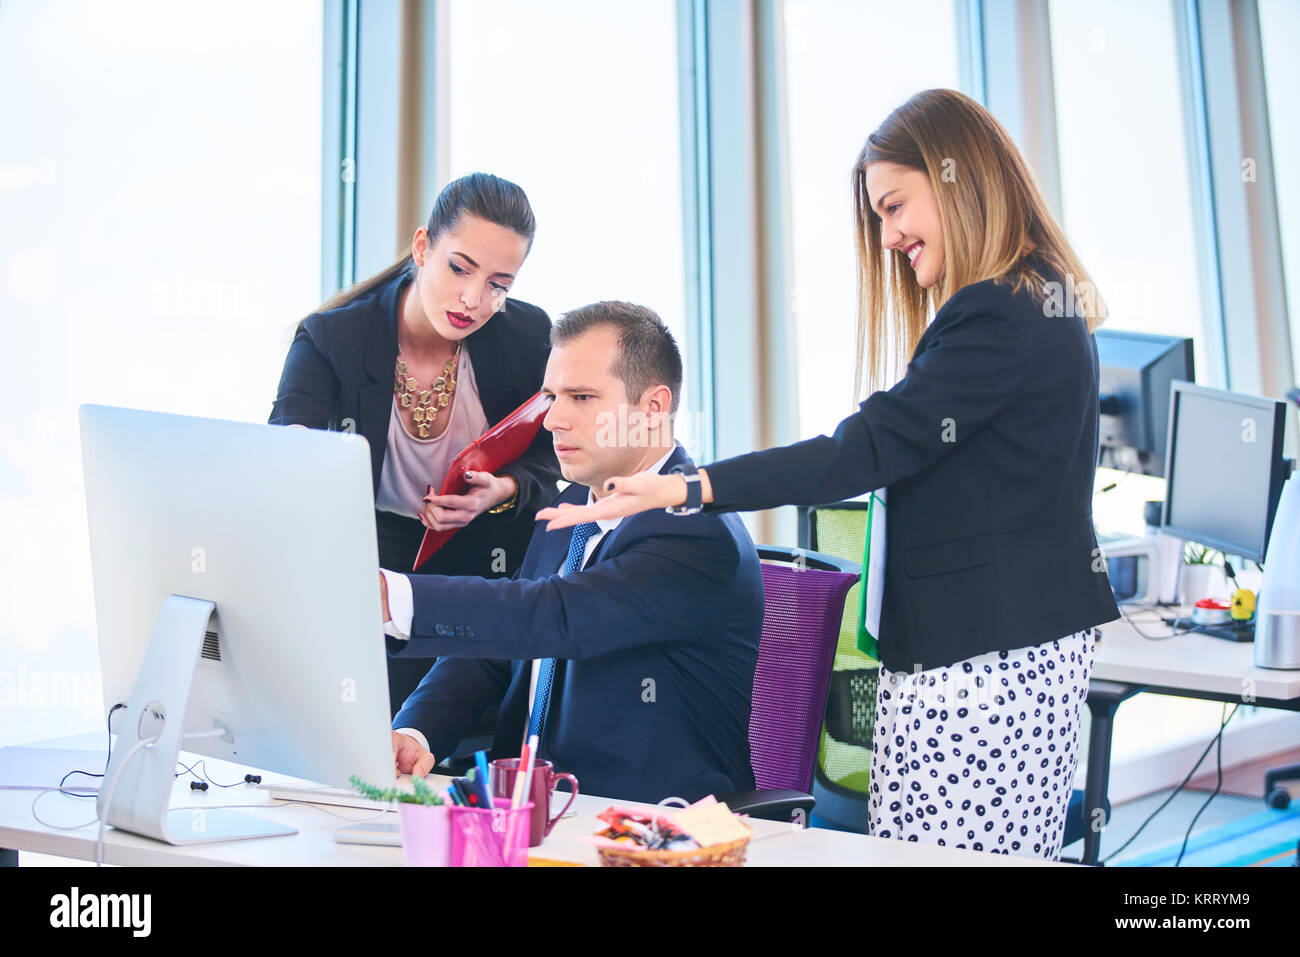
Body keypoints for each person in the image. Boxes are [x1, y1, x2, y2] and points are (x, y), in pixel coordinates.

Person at [538, 89, 1121, 860]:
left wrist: (689, 486)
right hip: (993, 652)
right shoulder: (1034, 298)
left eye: (895, 206)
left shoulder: (1000, 312)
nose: (887, 237)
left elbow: (862, 447)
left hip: (984, 665)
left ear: (957, 178)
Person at [379, 301, 764, 805]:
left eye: (581, 397)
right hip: (526, 814)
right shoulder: (568, 510)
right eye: (551, 396)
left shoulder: (696, 531)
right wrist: (418, 732)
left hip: (643, 825)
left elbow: (552, 615)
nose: (553, 419)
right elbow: (499, 647)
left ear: (652, 409)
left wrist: (395, 597)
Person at [269, 173, 562, 715]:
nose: (474, 299)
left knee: (460, 736)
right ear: (423, 246)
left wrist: (500, 488)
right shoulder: (332, 340)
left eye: (499, 284)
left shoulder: (525, 336)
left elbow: (555, 452)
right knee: (367, 734)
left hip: (487, 568)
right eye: (459, 268)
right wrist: (299, 459)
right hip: (368, 567)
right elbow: (285, 462)